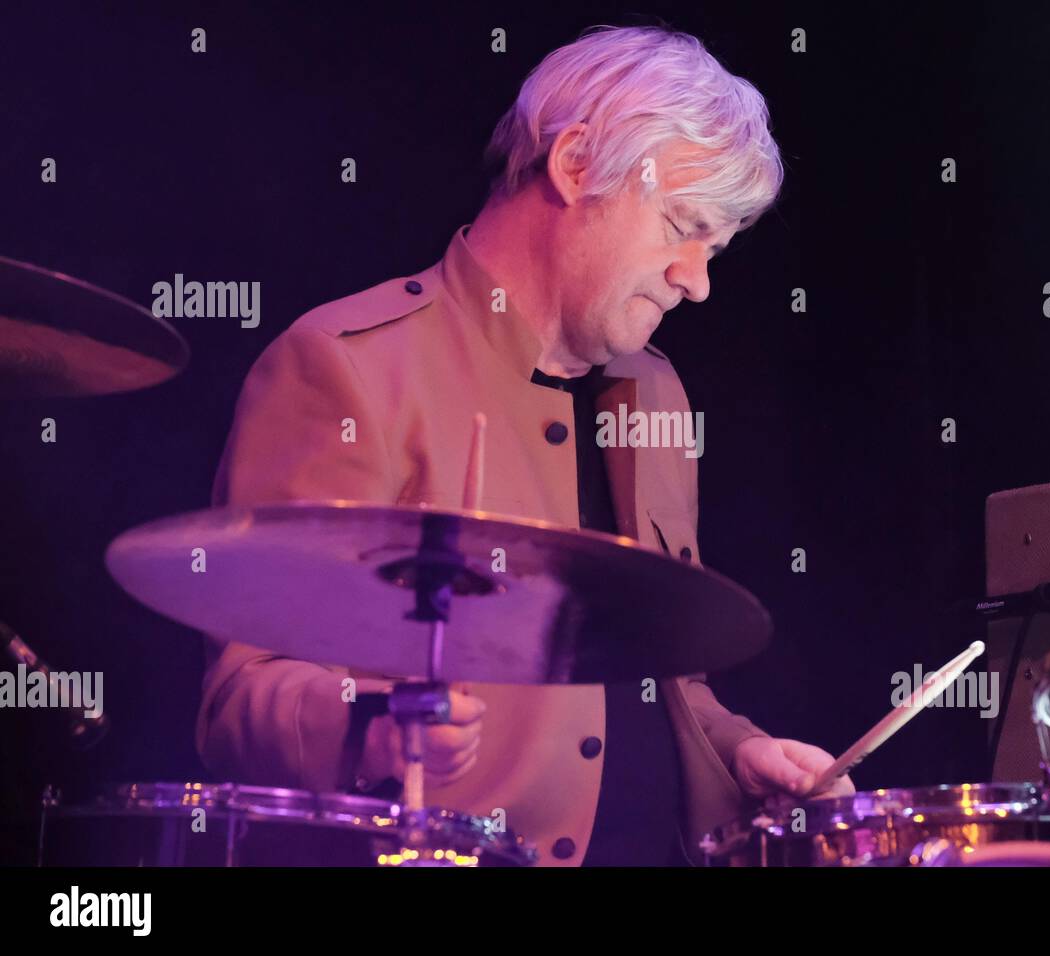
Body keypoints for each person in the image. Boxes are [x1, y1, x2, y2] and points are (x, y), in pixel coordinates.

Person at [197, 24, 853, 867]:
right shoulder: (346, 366)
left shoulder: (655, 392)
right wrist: (375, 732)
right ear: (576, 163)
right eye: (683, 226)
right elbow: (243, 698)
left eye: (716, 250)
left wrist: (734, 749)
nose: (698, 280)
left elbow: (654, 680)